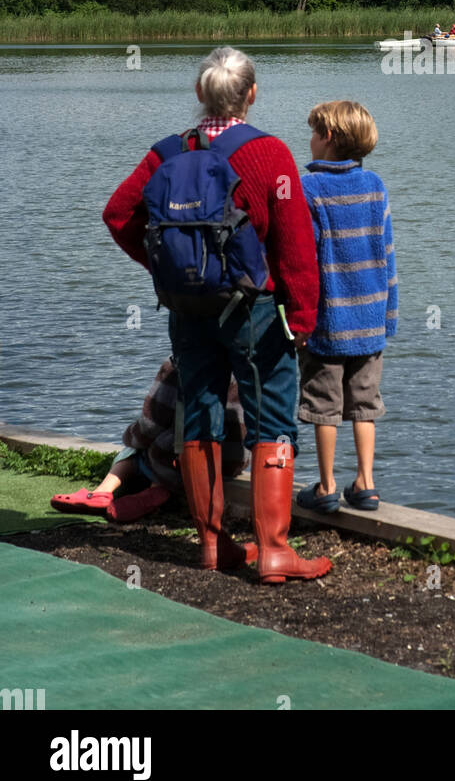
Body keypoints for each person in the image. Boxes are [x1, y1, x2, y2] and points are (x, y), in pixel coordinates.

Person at [103, 46, 331, 583]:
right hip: (254, 309)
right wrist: (301, 317)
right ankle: (274, 551)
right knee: (272, 419)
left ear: (200, 95)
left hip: (187, 308)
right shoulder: (270, 155)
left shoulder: (166, 153)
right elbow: (296, 245)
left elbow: (117, 214)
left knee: (199, 413)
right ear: (251, 94)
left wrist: (165, 269)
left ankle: (212, 544)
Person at [295, 101, 397, 514]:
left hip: (327, 321)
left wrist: (300, 317)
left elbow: (304, 260)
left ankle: (326, 485)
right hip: (371, 319)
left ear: (330, 139)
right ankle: (367, 483)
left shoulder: (309, 189)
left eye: (315, 132)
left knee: (324, 406)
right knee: (365, 403)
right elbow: (387, 255)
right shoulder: (375, 186)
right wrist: (388, 316)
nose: (311, 139)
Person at [50, 359, 247, 524]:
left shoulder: (179, 362)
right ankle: (155, 490)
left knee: (135, 450)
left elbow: (149, 427)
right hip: (232, 462)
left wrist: (129, 438)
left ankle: (106, 491)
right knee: (188, 430)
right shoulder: (244, 363)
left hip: (180, 461)